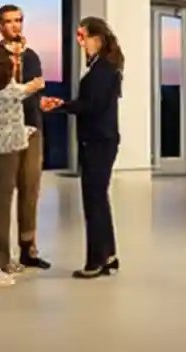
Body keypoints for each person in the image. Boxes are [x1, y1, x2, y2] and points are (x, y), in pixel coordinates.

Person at [44, 16, 124, 279]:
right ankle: (108, 254)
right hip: (102, 139)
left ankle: (95, 261)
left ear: (97, 38)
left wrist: (62, 106)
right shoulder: (103, 66)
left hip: (98, 141)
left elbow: (93, 106)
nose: (79, 42)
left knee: (94, 200)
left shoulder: (102, 69)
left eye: (82, 36)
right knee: (99, 198)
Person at [0, 4, 54, 272]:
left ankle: (28, 248)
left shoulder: (31, 56)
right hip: (5, 133)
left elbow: (35, 90)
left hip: (32, 127)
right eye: (9, 21)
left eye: (18, 21)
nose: (15, 26)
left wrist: (41, 100)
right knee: (4, 191)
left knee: (30, 187)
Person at [0, 55, 45, 283]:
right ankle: (1, 262)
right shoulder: (12, 94)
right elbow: (34, 85)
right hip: (8, 153)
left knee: (1, 198)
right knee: (3, 202)